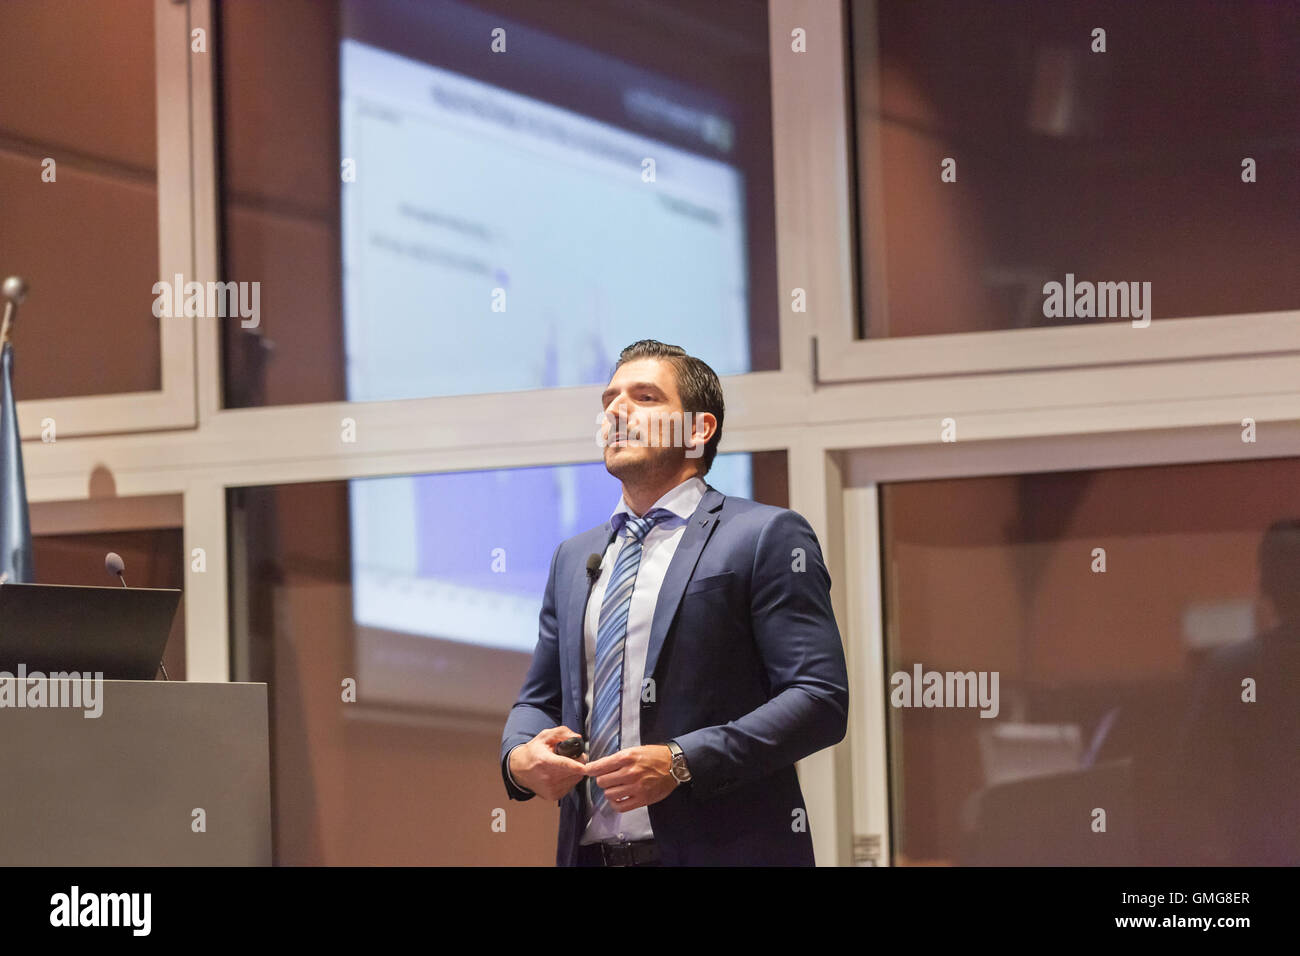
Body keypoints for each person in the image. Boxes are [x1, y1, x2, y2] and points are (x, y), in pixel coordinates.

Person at [499, 339, 849, 866]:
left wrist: (681, 761)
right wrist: (518, 758)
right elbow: (539, 700)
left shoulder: (764, 536)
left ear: (698, 430)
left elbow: (819, 699)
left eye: (643, 397)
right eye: (609, 400)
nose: (617, 411)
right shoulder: (574, 558)